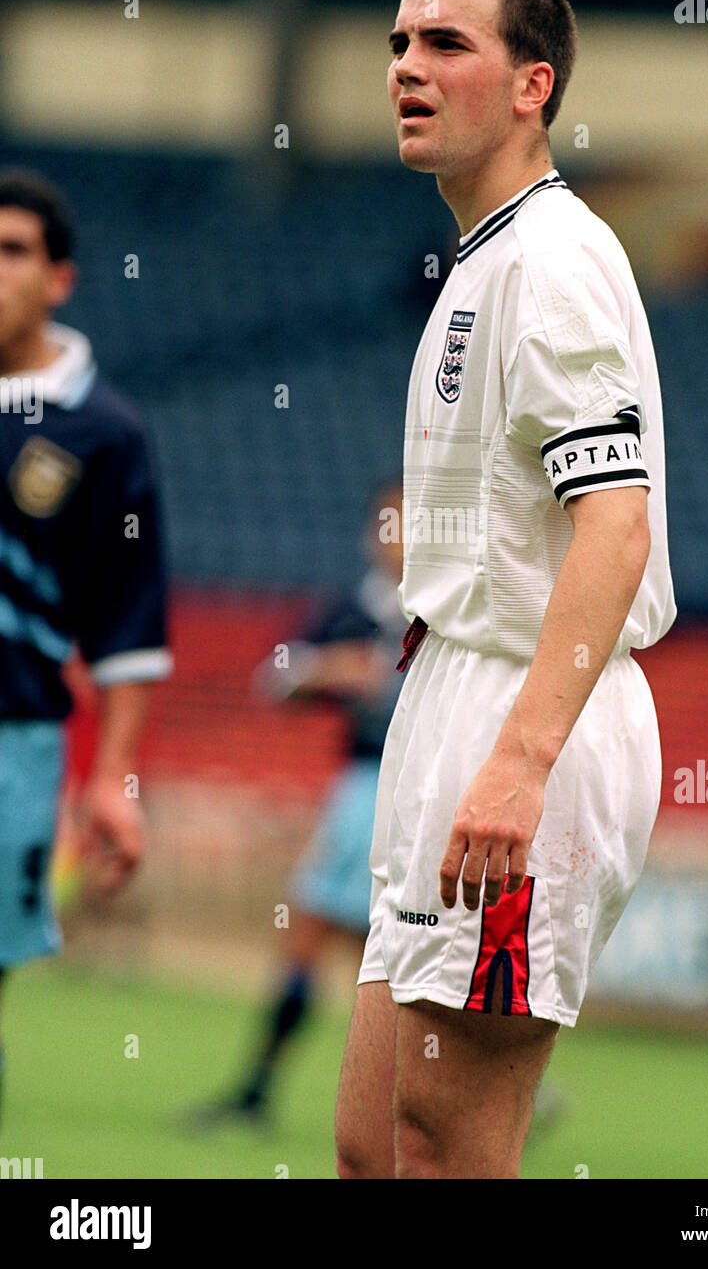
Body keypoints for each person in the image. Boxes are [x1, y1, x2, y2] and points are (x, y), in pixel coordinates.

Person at [334, 0, 677, 1180]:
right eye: (397, 45)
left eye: (445, 46)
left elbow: (614, 525)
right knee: (372, 1145)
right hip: (452, 702)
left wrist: (520, 760)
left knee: (443, 1148)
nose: (407, 70)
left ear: (532, 84)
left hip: (525, 713)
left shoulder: (551, 264)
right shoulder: (485, 254)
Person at [0, 168, 171, 1118]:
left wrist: (112, 777)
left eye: (13, 251)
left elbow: (127, 628)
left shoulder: (102, 433)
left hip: (11, 745)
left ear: (59, 279)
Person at [183, 478, 407, 1128]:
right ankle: (257, 1091)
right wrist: (327, 671)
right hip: (365, 789)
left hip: (414, 795)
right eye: (390, 523)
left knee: (370, 950)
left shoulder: (446, 610)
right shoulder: (357, 613)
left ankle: (256, 1092)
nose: (400, 538)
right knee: (371, 950)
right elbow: (275, 675)